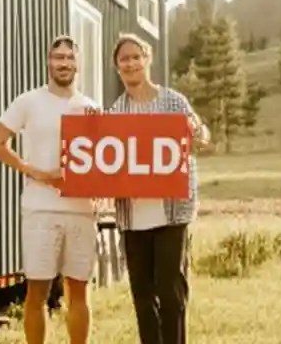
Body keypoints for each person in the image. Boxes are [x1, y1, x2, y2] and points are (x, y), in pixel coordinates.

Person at [0, 35, 101, 344]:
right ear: (49, 62)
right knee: (38, 290)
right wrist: (33, 171)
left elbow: (103, 160)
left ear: (78, 63)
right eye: (58, 57)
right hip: (40, 208)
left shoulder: (91, 108)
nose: (63, 63)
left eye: (69, 58)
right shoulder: (28, 101)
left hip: (81, 210)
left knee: (79, 289)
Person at [106, 32, 211, 344]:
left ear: (147, 59)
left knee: (170, 291)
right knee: (142, 295)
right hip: (133, 216)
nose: (131, 63)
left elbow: (200, 134)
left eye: (136, 57)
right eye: (124, 59)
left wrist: (199, 133)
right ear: (117, 67)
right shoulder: (116, 112)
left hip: (171, 213)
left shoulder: (173, 101)